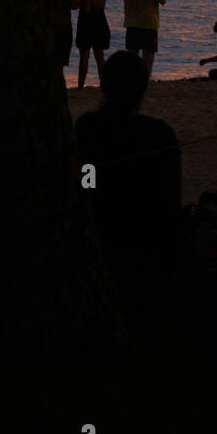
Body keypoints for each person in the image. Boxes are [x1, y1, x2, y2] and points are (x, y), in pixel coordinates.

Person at [75, 50, 181, 273]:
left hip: (98, 242)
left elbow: (83, 190)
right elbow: (170, 204)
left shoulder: (86, 128)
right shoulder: (160, 134)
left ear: (104, 87)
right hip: (146, 247)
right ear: (143, 90)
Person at [122, 0, 167, 81]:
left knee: (132, 57)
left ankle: (131, 81)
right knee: (148, 57)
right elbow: (162, 0)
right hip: (148, 24)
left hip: (131, 23)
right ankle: (143, 82)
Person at [76, 0, 110, 89]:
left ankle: (80, 85)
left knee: (84, 56)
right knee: (99, 57)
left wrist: (80, 0)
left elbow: (86, 8)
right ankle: (104, 83)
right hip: (101, 20)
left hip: (88, 23)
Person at [44, 0, 79, 76]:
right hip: (64, 23)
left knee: (48, 57)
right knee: (61, 59)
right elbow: (75, 5)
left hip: (47, 24)